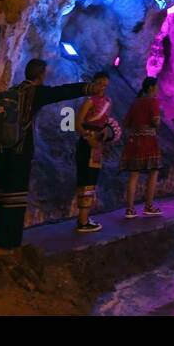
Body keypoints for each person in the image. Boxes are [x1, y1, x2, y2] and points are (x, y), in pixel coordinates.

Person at [0, 58, 95, 256]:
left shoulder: (12, 91)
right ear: (41, 75)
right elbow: (61, 92)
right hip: (19, 150)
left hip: (2, 150)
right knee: (16, 196)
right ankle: (8, 244)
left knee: (2, 194)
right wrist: (87, 88)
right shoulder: (35, 92)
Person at [75, 70, 120, 233]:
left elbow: (104, 124)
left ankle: (84, 218)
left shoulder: (107, 101)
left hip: (97, 145)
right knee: (85, 179)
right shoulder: (89, 101)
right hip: (88, 143)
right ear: (94, 83)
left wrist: (105, 135)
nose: (102, 87)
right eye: (100, 83)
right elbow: (77, 123)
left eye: (105, 85)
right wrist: (89, 138)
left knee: (91, 180)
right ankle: (82, 221)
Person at [120, 78, 163, 218]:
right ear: (151, 88)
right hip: (148, 140)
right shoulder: (153, 101)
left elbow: (126, 123)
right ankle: (149, 206)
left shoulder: (136, 103)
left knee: (134, 174)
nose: (157, 89)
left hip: (134, 141)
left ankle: (130, 209)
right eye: (156, 87)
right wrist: (156, 123)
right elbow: (155, 122)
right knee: (153, 172)